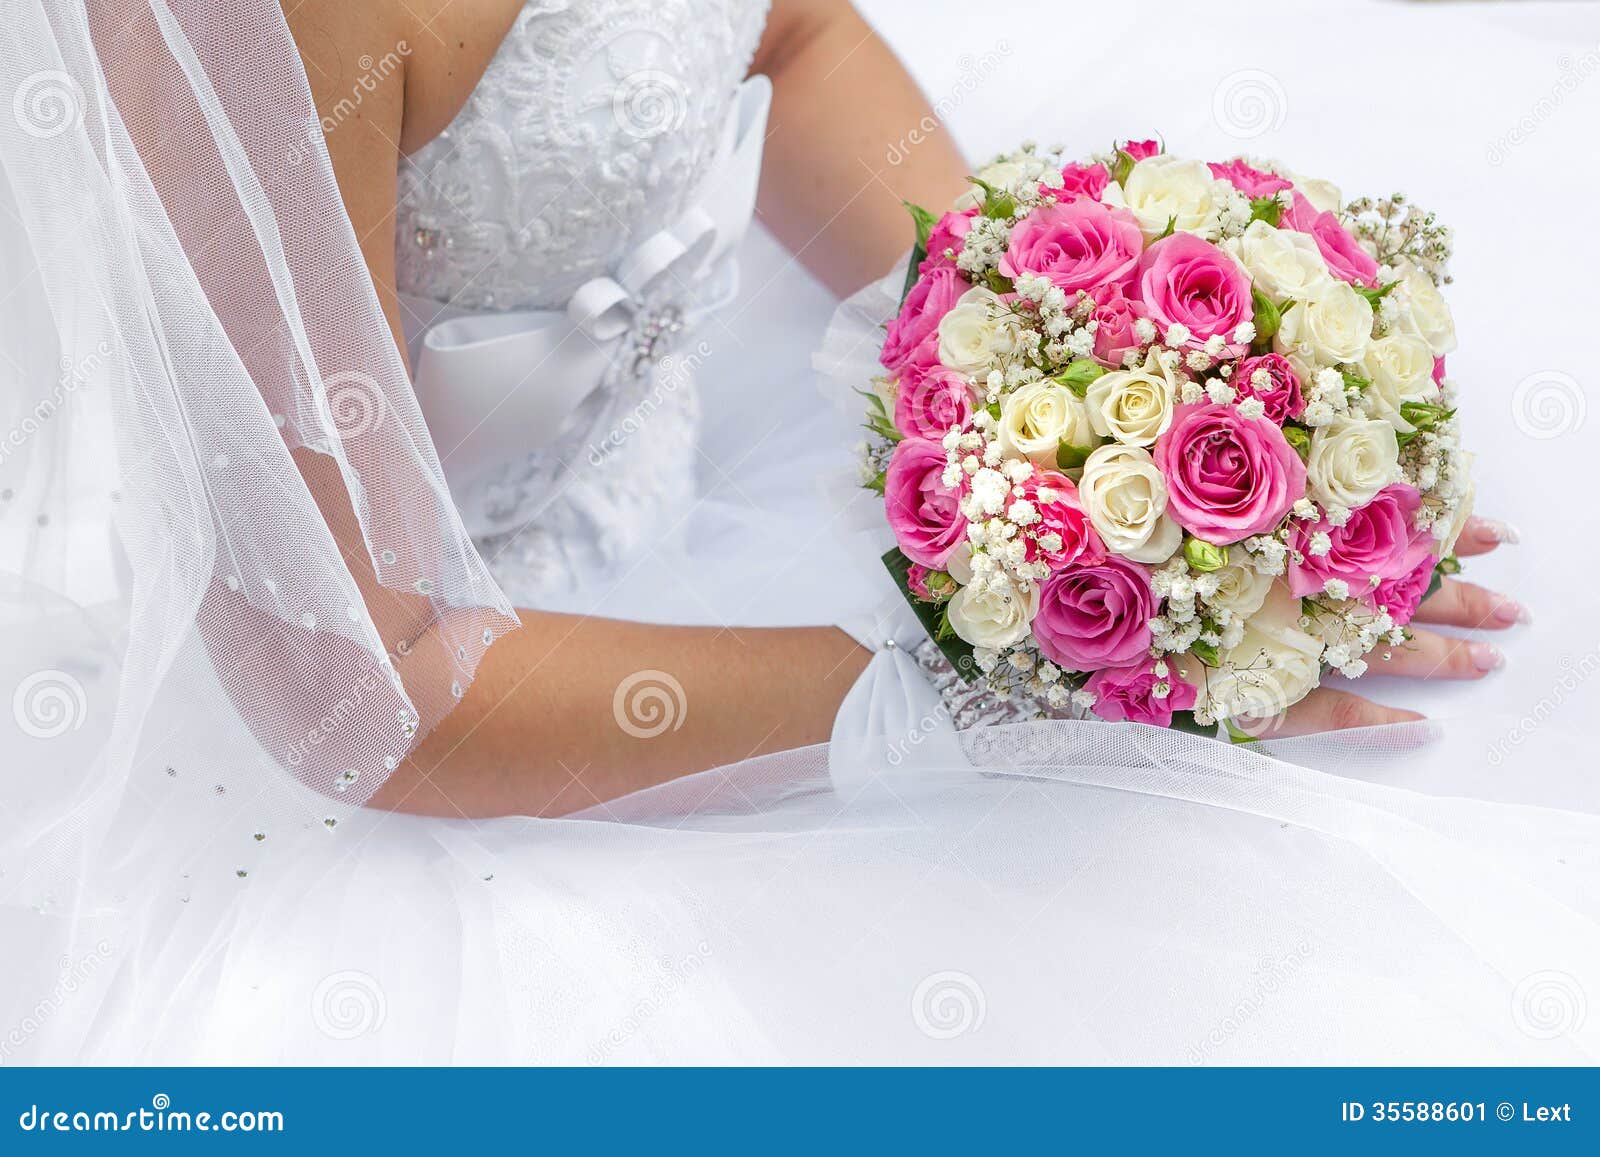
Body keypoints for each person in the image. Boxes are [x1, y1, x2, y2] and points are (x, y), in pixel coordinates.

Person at [0, 0, 1592, 1064]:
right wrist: (981, 690)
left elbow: (788, 31)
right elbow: (362, 688)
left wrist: (1072, 393)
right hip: (420, 680)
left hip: (673, 449)